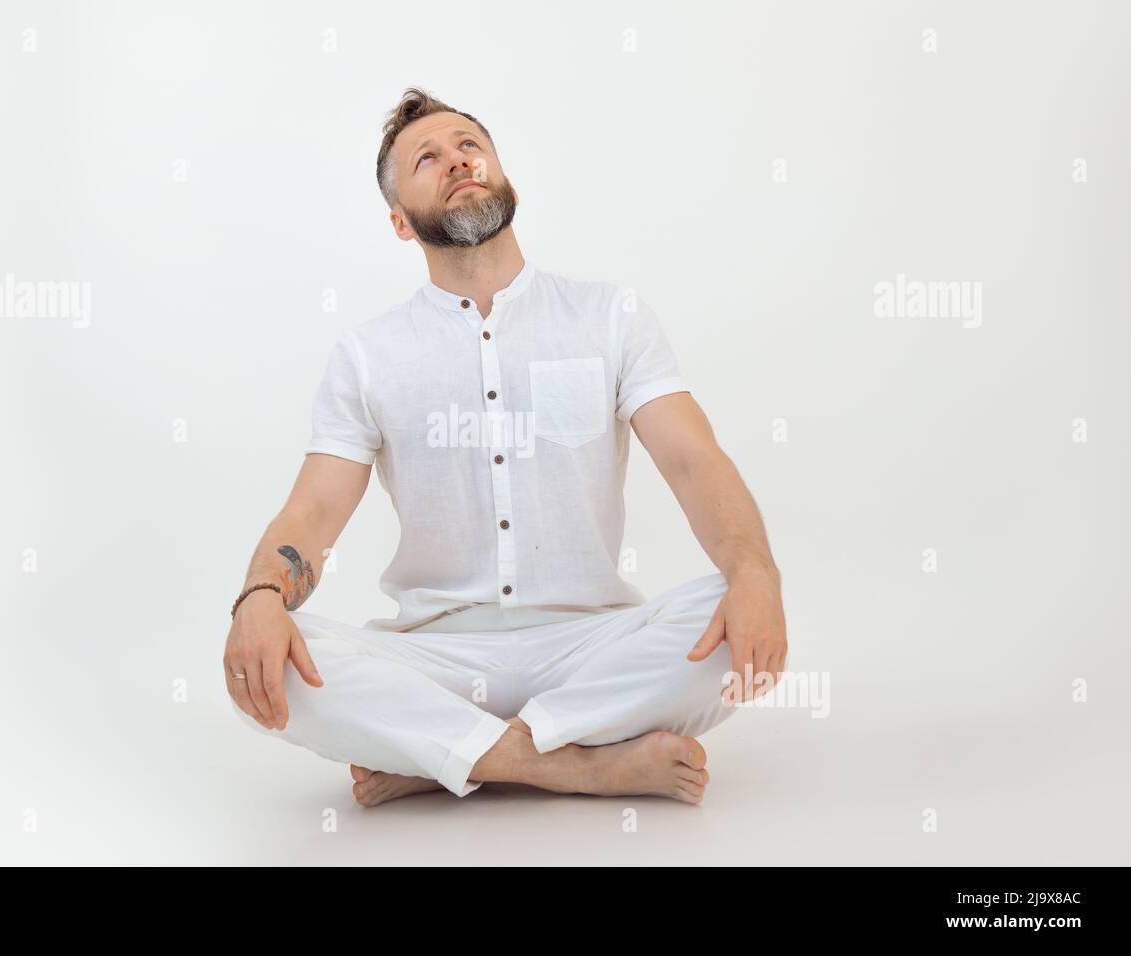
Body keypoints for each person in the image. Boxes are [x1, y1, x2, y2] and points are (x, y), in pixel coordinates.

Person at [223, 87, 787, 807]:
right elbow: (312, 514)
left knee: (732, 615)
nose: (457, 160)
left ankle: (445, 755)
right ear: (399, 221)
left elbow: (693, 460)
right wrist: (261, 598)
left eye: (469, 145)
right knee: (273, 664)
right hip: (437, 653)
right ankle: (573, 762)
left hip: (594, 645)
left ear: (502, 175)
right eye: (427, 158)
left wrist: (755, 574)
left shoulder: (610, 317)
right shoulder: (368, 354)